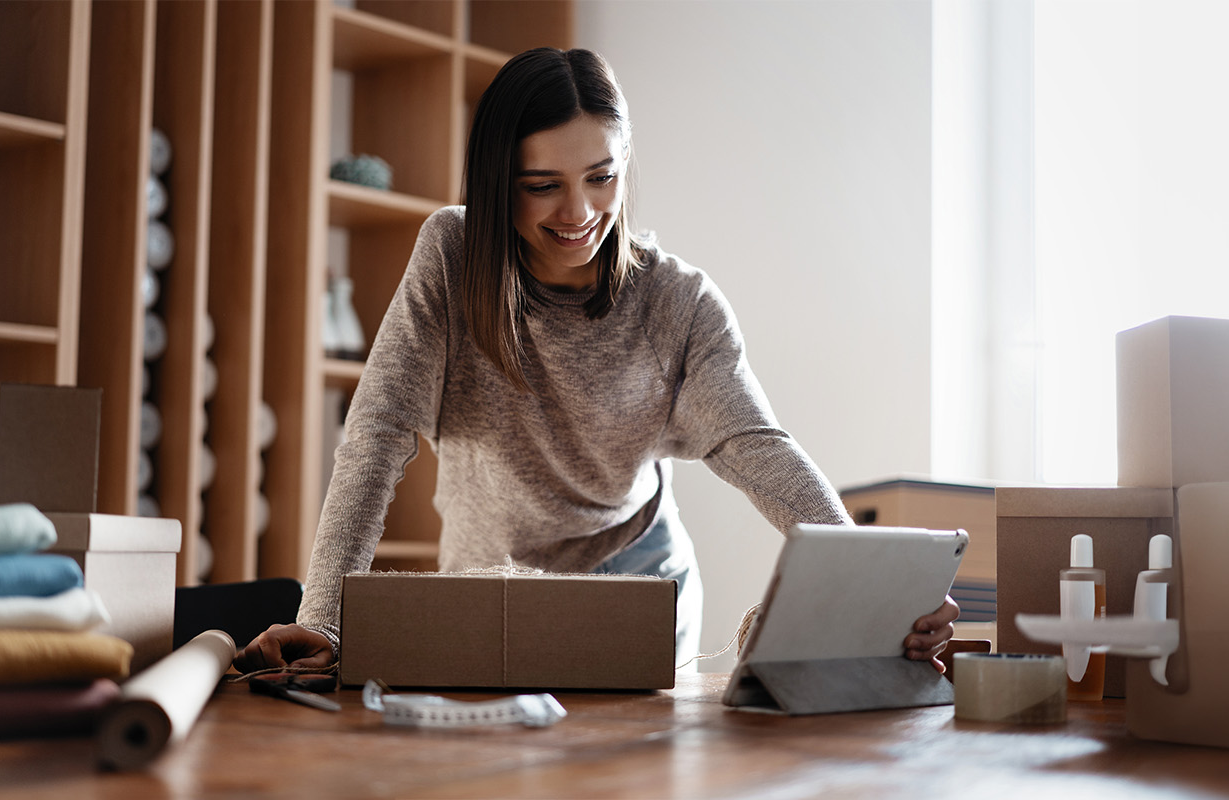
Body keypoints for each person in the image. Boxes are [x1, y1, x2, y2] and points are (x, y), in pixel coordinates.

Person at [233, 48, 957, 675]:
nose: (578, 211)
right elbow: (378, 433)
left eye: (601, 177)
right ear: (497, 181)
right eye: (543, 185)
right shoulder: (451, 259)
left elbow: (756, 448)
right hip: (487, 581)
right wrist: (325, 615)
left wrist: (877, 590)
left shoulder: (678, 301)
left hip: (639, 588)